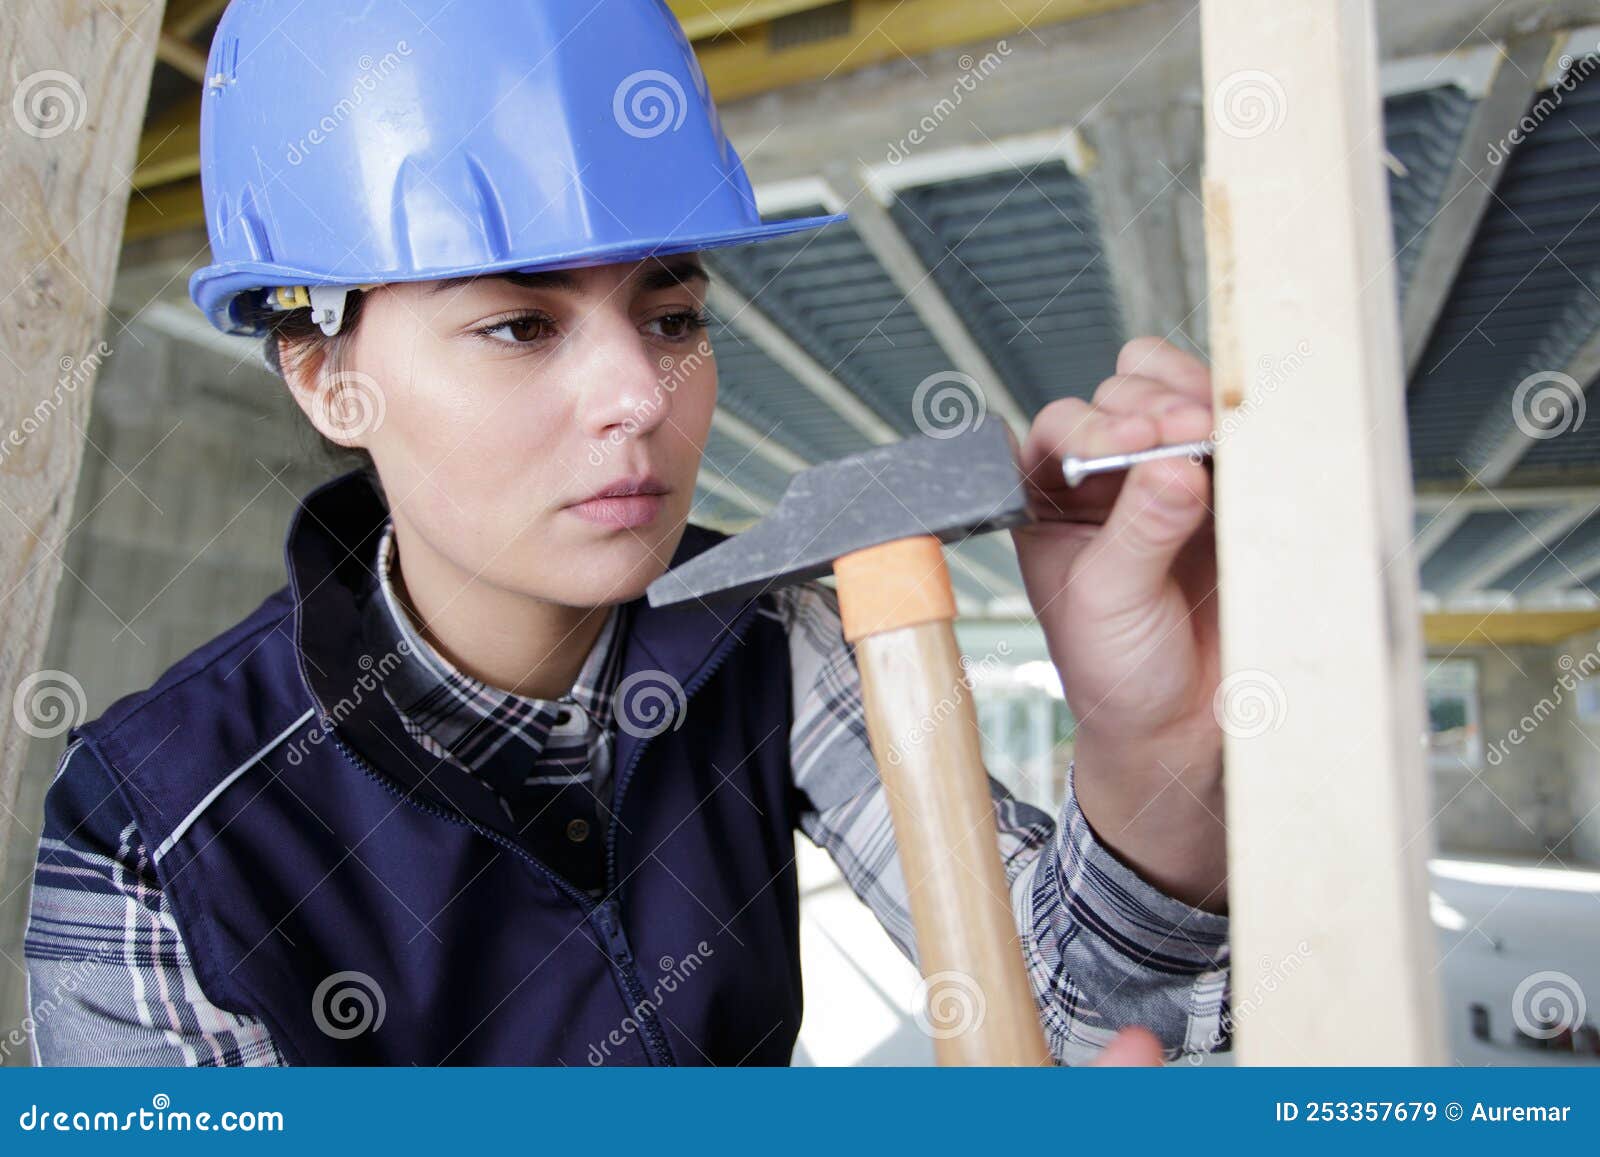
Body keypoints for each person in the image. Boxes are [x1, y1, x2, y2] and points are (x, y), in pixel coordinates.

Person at [23, 0, 1228, 1066]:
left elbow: (1079, 1027)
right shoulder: (147, 829)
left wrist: (1148, 766)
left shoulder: (771, 638)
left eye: (671, 312)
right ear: (324, 375)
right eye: (519, 326)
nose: (645, 396)